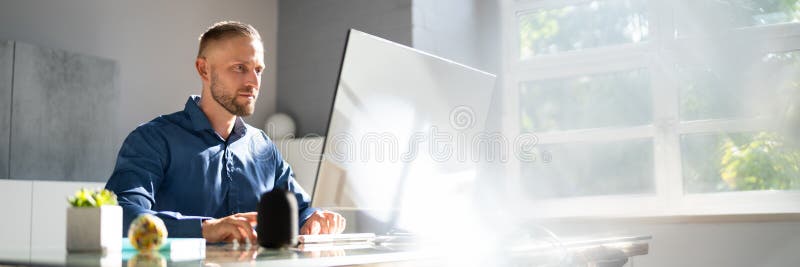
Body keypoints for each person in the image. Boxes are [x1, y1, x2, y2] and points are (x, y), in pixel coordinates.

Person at [105, 21, 345, 243]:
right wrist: (204, 229)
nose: (253, 82)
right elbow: (119, 215)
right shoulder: (152, 139)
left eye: (258, 70)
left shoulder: (263, 147)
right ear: (204, 69)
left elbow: (300, 208)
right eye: (240, 68)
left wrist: (314, 218)